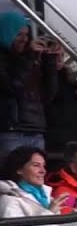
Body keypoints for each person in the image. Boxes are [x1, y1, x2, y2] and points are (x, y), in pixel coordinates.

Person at [0, 12, 59, 159]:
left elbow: (47, 95)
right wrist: (29, 57)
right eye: (18, 34)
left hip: (36, 130)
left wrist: (50, 60)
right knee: (12, 172)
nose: (24, 39)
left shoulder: (28, 59)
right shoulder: (9, 59)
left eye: (26, 35)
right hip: (10, 131)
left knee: (36, 173)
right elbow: (13, 86)